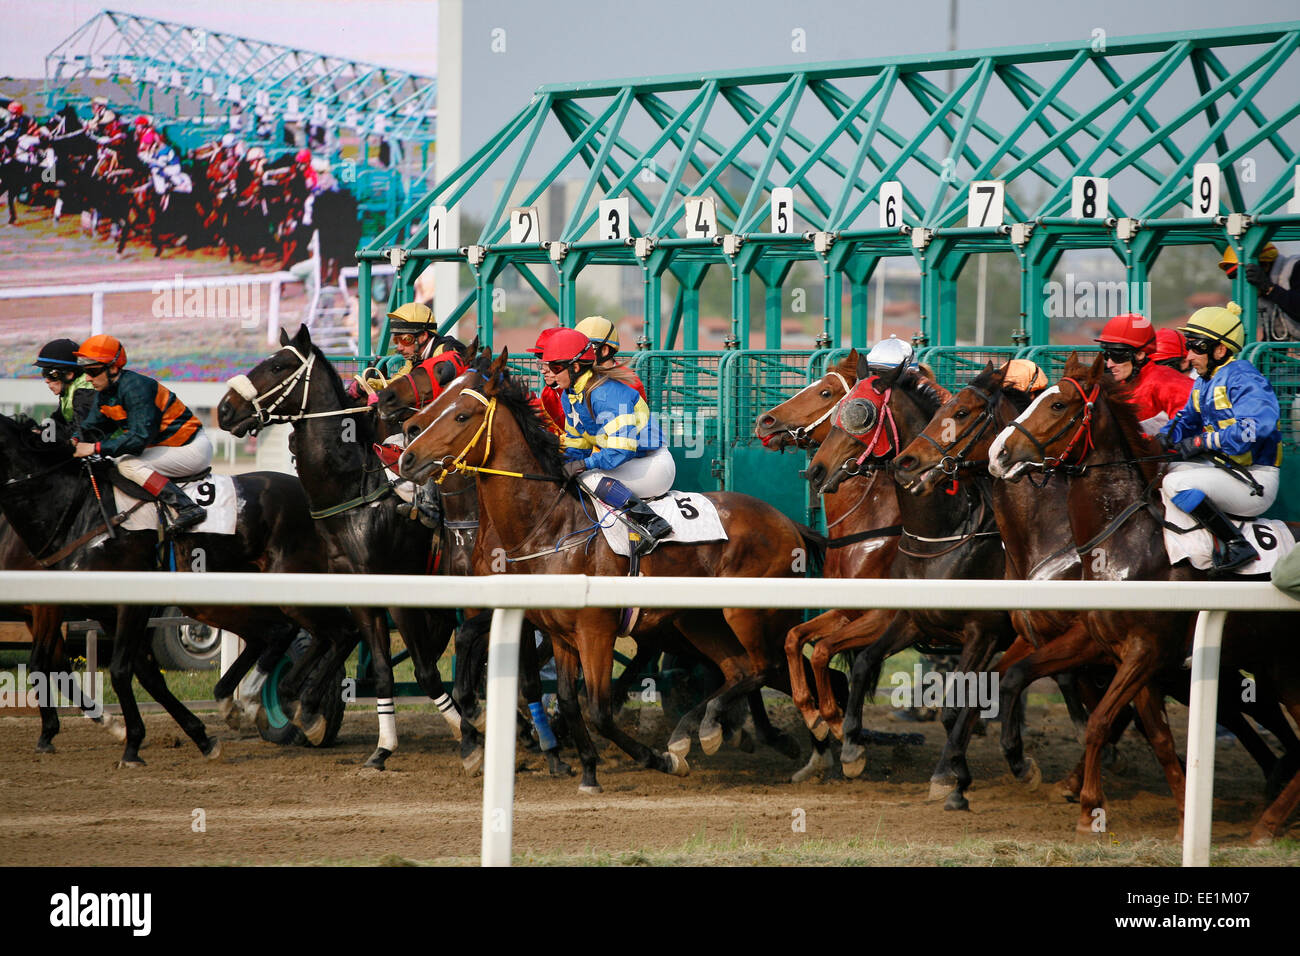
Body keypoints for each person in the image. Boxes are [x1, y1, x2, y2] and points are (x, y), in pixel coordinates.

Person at [1158, 302, 1282, 573]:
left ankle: (1236, 543)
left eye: (1197, 347)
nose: (1189, 356)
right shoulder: (1204, 381)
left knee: (1175, 483)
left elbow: (1254, 429)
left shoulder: (1244, 377)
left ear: (1220, 349)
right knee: (1162, 470)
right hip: (1226, 471)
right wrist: (1161, 439)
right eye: (1188, 346)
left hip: (1255, 479)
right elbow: (1186, 420)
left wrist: (1202, 442)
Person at [544, 328, 674, 557]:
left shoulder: (606, 394)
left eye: (556, 367)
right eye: (547, 367)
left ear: (575, 367)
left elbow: (620, 451)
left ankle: (650, 522)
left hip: (653, 465)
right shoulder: (569, 395)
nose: (551, 374)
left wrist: (582, 465)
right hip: (628, 463)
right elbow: (578, 444)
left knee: (589, 476)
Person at [70, 334, 213, 533]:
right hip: (166, 447)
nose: (87, 378)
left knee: (128, 465)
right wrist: (74, 439)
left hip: (189, 448)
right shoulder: (106, 391)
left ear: (113, 368)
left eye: (92, 371)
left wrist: (95, 447)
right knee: (113, 461)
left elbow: (139, 439)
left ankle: (187, 507)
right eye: (85, 371)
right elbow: (92, 426)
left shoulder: (137, 388)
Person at [1094, 313, 1192, 435]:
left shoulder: (1167, 381)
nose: (1109, 364)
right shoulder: (1122, 384)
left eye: (1117, 356)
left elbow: (1192, 422)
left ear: (1140, 354)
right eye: (1107, 355)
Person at [1220, 243, 1300, 342]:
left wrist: (1269, 288)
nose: (1243, 285)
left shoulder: (1296, 268)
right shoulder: (1264, 292)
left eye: (1244, 278)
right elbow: (1274, 335)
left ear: (1265, 266)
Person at [573, 315, 646, 400]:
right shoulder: (573, 377)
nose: (579, 355)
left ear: (604, 350)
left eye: (587, 348)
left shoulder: (628, 383)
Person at [33, 339, 96, 428]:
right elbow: (59, 420)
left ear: (69, 374)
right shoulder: (69, 389)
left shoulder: (85, 392)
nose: (46, 380)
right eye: (44, 373)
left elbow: (80, 430)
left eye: (51, 374)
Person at [525, 327, 567, 433]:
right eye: (540, 365)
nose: (543, 371)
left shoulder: (585, 391)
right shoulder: (547, 394)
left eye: (546, 364)